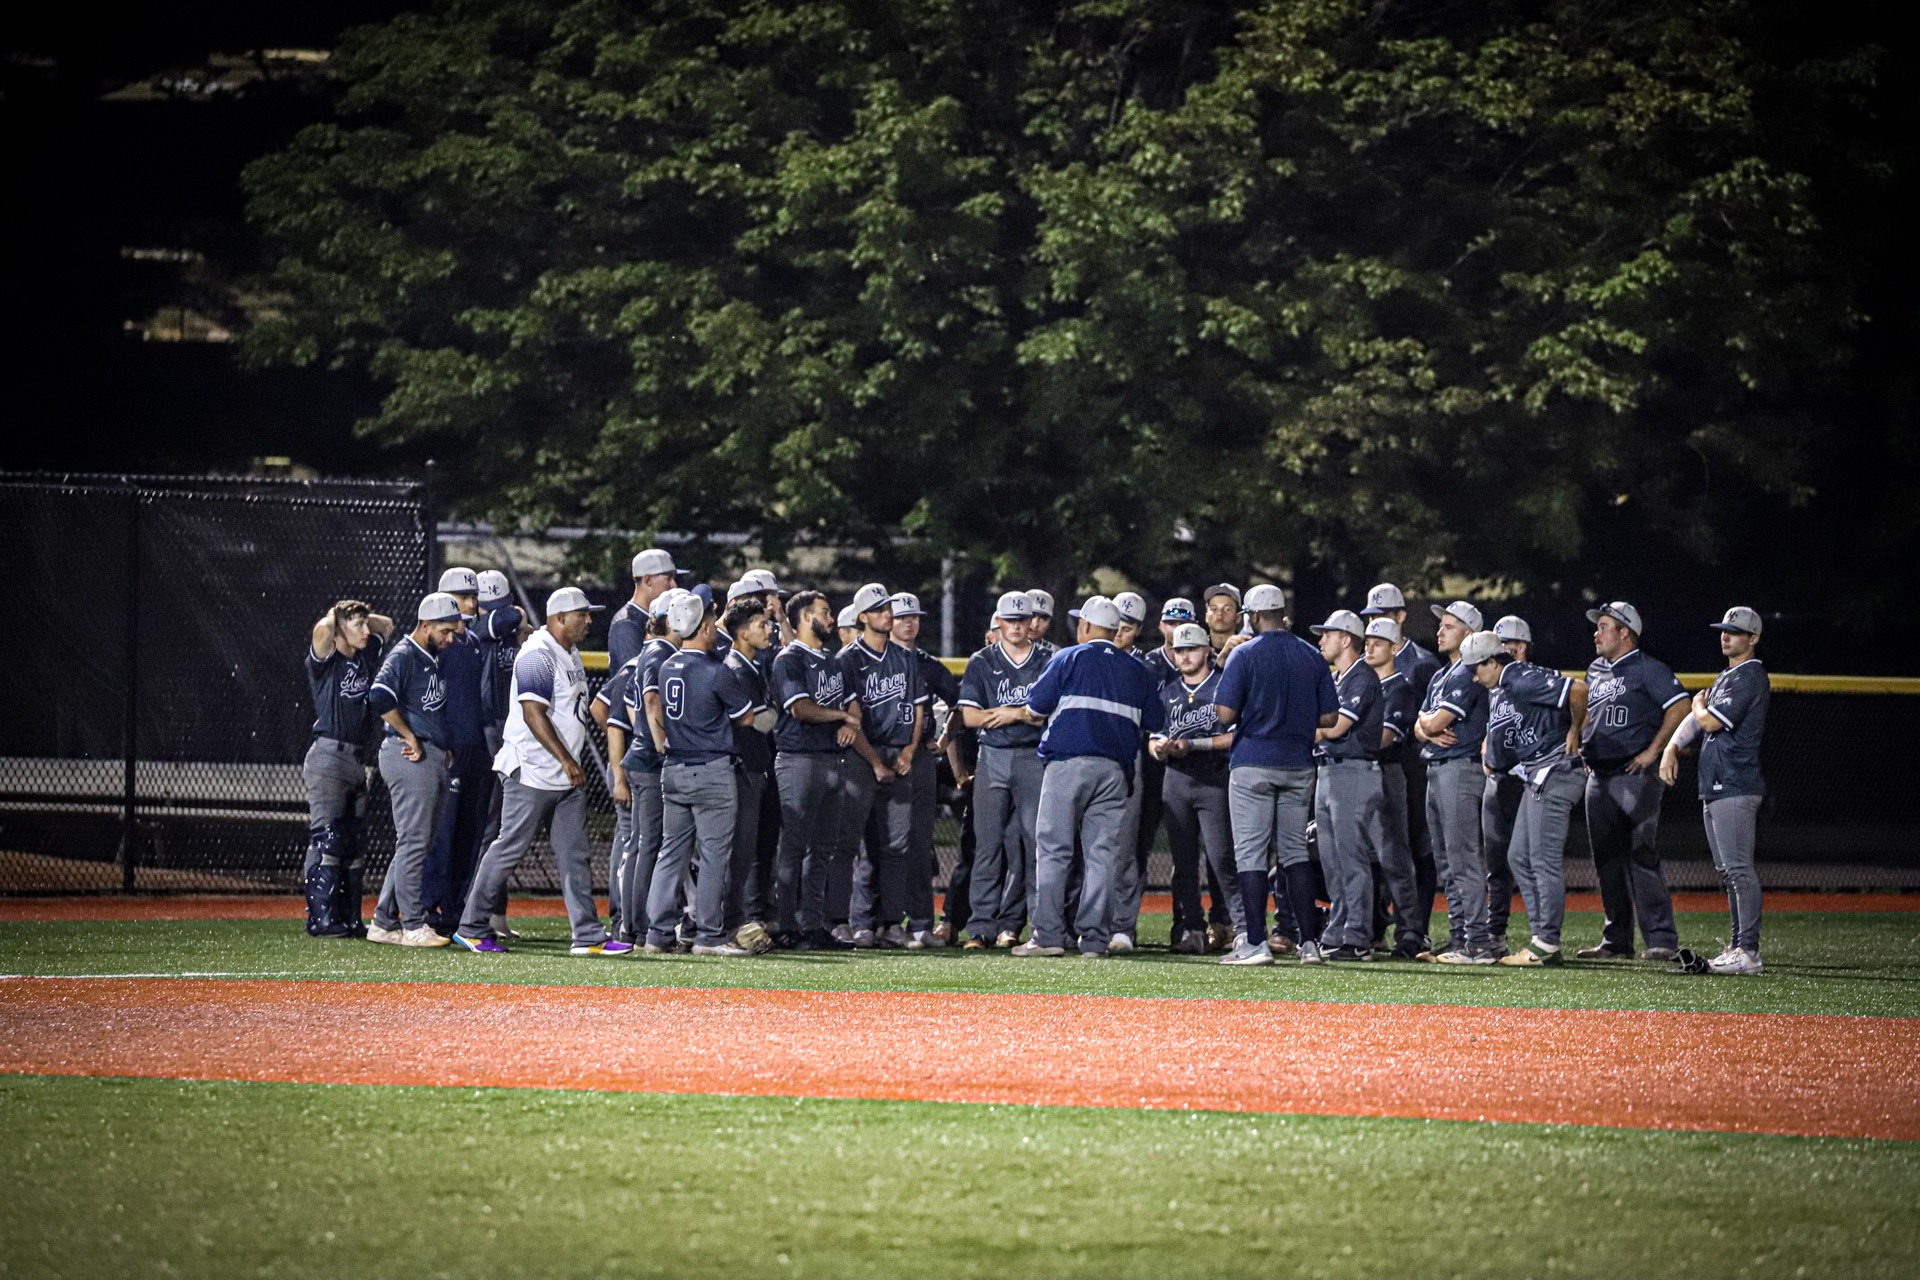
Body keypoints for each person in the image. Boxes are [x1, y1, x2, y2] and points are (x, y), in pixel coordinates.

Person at [454, 588, 623, 955]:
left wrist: (566, 764)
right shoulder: (537, 653)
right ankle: (470, 926)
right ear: (560, 618)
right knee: (508, 849)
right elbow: (533, 713)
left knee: (574, 854)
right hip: (531, 770)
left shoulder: (569, 651)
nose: (589, 620)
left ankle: (588, 936)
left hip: (563, 775)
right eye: (582, 614)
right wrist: (566, 759)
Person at [1011, 596, 1165, 958]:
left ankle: (1048, 936)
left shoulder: (1068, 657)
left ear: (1085, 627)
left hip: (1068, 765)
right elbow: (1156, 721)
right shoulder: (1137, 668)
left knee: (1053, 850)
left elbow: (1035, 708)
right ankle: (1094, 940)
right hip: (1115, 771)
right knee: (1101, 856)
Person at [1212, 584, 1338, 966]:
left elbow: (1224, 714)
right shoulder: (1310, 655)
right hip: (1299, 762)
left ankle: (1254, 942)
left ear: (1251, 616)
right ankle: (1310, 945)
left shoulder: (1245, 653)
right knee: (1295, 853)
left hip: (1253, 761)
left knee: (1250, 854)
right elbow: (1329, 719)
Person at [1452, 631, 1585, 969]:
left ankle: (1547, 942)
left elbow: (1579, 690)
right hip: (1537, 773)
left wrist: (1575, 730)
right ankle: (1542, 937)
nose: (1472, 675)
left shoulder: (1518, 676)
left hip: (1555, 770)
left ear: (1492, 661)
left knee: (1542, 858)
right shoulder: (1502, 687)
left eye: (1476, 667)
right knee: (1518, 856)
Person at [1576, 601, 1689, 962]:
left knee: (1641, 854)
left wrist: (1654, 750)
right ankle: (1616, 941)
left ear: (1625, 632)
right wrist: (1583, 745)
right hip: (1599, 775)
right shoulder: (1595, 670)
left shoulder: (1648, 668)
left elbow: (1680, 707)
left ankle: (1661, 939)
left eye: (1604, 626)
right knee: (1606, 861)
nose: (1597, 632)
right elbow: (1590, 713)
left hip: (1635, 774)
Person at [646, 591, 758, 957]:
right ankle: (709, 936)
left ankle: (657, 934)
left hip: (674, 769)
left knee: (670, 853)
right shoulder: (716, 670)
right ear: (706, 628)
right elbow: (745, 717)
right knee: (712, 856)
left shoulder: (666, 666)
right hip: (711, 771)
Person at [1662, 606, 1770, 975]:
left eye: (1735, 632)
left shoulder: (1750, 676)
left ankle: (1748, 952)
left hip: (1736, 783)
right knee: (1728, 871)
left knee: (1738, 869)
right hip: (1718, 784)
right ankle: (1740, 946)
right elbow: (1698, 721)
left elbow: (1706, 719)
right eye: (1724, 630)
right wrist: (1671, 748)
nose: (1726, 636)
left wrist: (1697, 704)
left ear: (1752, 639)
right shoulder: (1728, 675)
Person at [837, 583, 934, 948]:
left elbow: (920, 708)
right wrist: (875, 761)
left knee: (896, 845)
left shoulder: (906, 658)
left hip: (899, 751)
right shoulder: (847, 659)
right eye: (879, 610)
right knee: (861, 845)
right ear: (862, 617)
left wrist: (909, 751)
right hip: (864, 756)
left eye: (888, 608)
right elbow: (850, 720)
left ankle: (893, 922)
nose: (888, 615)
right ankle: (860, 921)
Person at [365, 592, 464, 947]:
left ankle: (382, 921)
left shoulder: (431, 657)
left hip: (429, 754)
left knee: (415, 843)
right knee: (414, 841)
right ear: (425, 625)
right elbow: (378, 696)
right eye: (445, 631)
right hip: (408, 755)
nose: (450, 638)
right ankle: (413, 926)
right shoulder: (406, 653)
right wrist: (410, 735)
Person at [770, 590, 861, 950]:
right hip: (798, 758)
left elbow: (852, 699)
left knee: (823, 847)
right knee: (794, 845)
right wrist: (842, 716)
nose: (831, 618)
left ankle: (813, 925)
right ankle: (787, 924)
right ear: (805, 617)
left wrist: (851, 724)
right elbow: (800, 708)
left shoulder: (833, 661)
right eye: (825, 612)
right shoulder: (789, 659)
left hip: (830, 758)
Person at [959, 591, 1049, 948]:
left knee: (1033, 844)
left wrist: (1012, 713)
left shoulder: (1048, 659)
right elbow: (969, 716)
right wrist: (1026, 714)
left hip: (1033, 756)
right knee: (988, 845)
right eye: (1009, 620)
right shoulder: (982, 660)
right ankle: (980, 926)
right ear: (999, 621)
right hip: (992, 757)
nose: (1015, 626)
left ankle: (1022, 924)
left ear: (1032, 623)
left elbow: (1050, 714)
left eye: (1021, 620)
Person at [302, 599, 394, 937]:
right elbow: (323, 630)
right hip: (329, 755)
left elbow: (388, 625)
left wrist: (359, 618)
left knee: (352, 843)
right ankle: (321, 919)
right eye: (358, 626)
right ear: (340, 630)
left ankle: (350, 918)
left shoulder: (364, 655)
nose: (366, 631)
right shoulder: (328, 661)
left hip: (357, 759)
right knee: (327, 838)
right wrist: (337, 618)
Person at [1413, 599, 1496, 963]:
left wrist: (1428, 727)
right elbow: (1420, 726)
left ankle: (1477, 941)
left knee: (1463, 859)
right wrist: (1428, 729)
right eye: (1442, 624)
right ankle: (1461, 937)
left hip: (1460, 769)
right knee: (1447, 861)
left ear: (1469, 633)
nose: (1440, 630)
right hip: (1438, 768)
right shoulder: (1440, 673)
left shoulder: (1467, 671)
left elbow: (1431, 722)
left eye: (1449, 625)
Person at [1361, 582, 1441, 946]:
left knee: (1413, 849)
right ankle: (1378, 926)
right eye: (1372, 617)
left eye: (1384, 615)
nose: (1377, 623)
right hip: (1374, 766)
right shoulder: (1366, 663)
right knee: (1376, 851)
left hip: (1410, 765)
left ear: (1401, 616)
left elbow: (1432, 715)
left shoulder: (1421, 663)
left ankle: (1415, 928)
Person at [1149, 623, 1236, 954]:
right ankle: (1193, 929)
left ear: (1206, 651)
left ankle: (1238, 928)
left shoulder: (1221, 687)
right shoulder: (1168, 691)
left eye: (1191, 649)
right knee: (1183, 864)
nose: (1184, 655)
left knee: (1222, 858)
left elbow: (1234, 735)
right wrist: (1159, 748)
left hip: (1213, 778)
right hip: (1177, 779)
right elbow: (1154, 739)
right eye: (1179, 650)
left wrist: (1193, 744)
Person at [1308, 609, 1386, 962]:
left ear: (1346, 639)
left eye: (1328, 633)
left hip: (1354, 771)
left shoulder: (1361, 677)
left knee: (1351, 858)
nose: (1321, 639)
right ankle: (1339, 930)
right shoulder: (1336, 678)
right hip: (1329, 771)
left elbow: (1338, 727)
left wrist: (1298, 730)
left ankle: (1358, 936)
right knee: (1332, 860)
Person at [422, 567, 490, 936]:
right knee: (443, 833)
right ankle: (430, 907)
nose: (472, 603)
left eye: (473, 596)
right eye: (465, 596)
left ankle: (454, 908)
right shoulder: (436, 647)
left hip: (474, 744)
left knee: (469, 832)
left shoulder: (472, 642)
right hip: (450, 747)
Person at [889, 591, 960, 943]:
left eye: (914, 616)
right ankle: (876, 921)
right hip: (877, 754)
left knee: (917, 842)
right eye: (903, 616)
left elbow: (961, 702)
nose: (909, 622)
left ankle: (918, 922)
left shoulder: (928, 665)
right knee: (879, 844)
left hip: (918, 759)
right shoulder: (870, 660)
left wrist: (945, 738)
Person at [615, 589, 685, 948]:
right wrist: (659, 739)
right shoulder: (661, 652)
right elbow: (651, 699)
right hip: (650, 760)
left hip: (641, 758)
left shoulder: (652, 651)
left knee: (643, 845)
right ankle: (640, 927)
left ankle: (633, 926)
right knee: (648, 846)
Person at [722, 593, 779, 953]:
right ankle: (727, 924)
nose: (768, 628)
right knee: (736, 853)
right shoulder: (736, 669)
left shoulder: (752, 665)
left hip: (753, 768)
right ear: (743, 632)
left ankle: (734, 919)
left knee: (747, 852)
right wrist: (767, 714)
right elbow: (760, 720)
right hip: (740, 769)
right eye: (761, 623)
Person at [1477, 614, 1533, 956]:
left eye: (1506, 648)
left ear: (1521, 647)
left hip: (1528, 782)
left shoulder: (1531, 680)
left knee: (1530, 861)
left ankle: (1545, 935)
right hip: (1498, 780)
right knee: (1496, 864)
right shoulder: (1495, 685)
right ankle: (1495, 933)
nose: (1499, 655)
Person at [1108, 590, 1156, 951]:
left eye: (1124, 628)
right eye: (1113, 626)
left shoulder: (1144, 667)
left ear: (1137, 629)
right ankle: (1087, 922)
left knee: (1124, 848)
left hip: (1129, 756)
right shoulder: (1094, 658)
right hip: (1092, 756)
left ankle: (1123, 926)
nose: (1117, 633)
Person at [608, 548, 686, 672]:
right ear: (648, 580)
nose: (674, 585)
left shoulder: (659, 615)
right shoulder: (626, 623)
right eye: (669, 578)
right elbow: (635, 676)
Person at [1202, 584, 1243, 653]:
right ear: (1206, 617)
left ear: (1238, 617)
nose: (1220, 613)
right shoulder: (1198, 651)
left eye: (1227, 609)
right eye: (1214, 609)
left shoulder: (1246, 650)